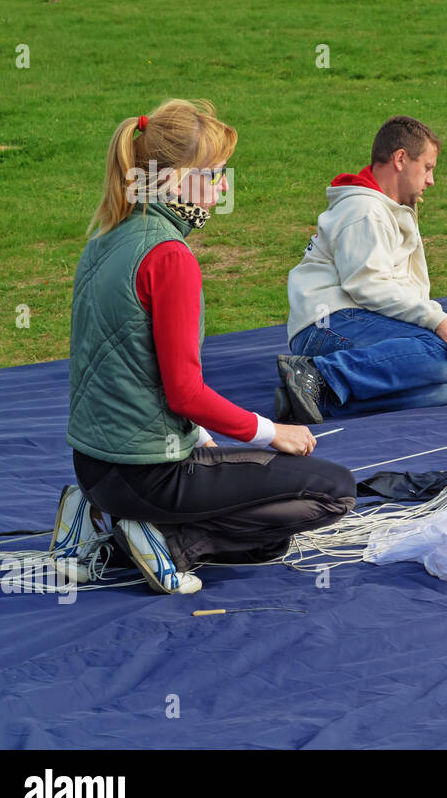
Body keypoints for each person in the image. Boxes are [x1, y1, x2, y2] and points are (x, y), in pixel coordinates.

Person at [56, 100, 355, 595]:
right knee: (334, 492)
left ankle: (94, 515)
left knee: (266, 541)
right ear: (175, 180)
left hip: (94, 466)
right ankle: (169, 543)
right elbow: (184, 394)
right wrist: (270, 432)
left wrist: (193, 436)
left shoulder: (105, 237)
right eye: (214, 175)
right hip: (148, 476)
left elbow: (126, 367)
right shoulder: (169, 257)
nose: (222, 189)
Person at [278, 116, 447, 423]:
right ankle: (315, 373)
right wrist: (437, 320)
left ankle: (313, 395)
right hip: (327, 325)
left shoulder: (379, 207)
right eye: (428, 168)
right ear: (401, 159)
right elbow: (368, 286)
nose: (431, 180)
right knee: (437, 351)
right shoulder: (365, 211)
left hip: (346, 320)